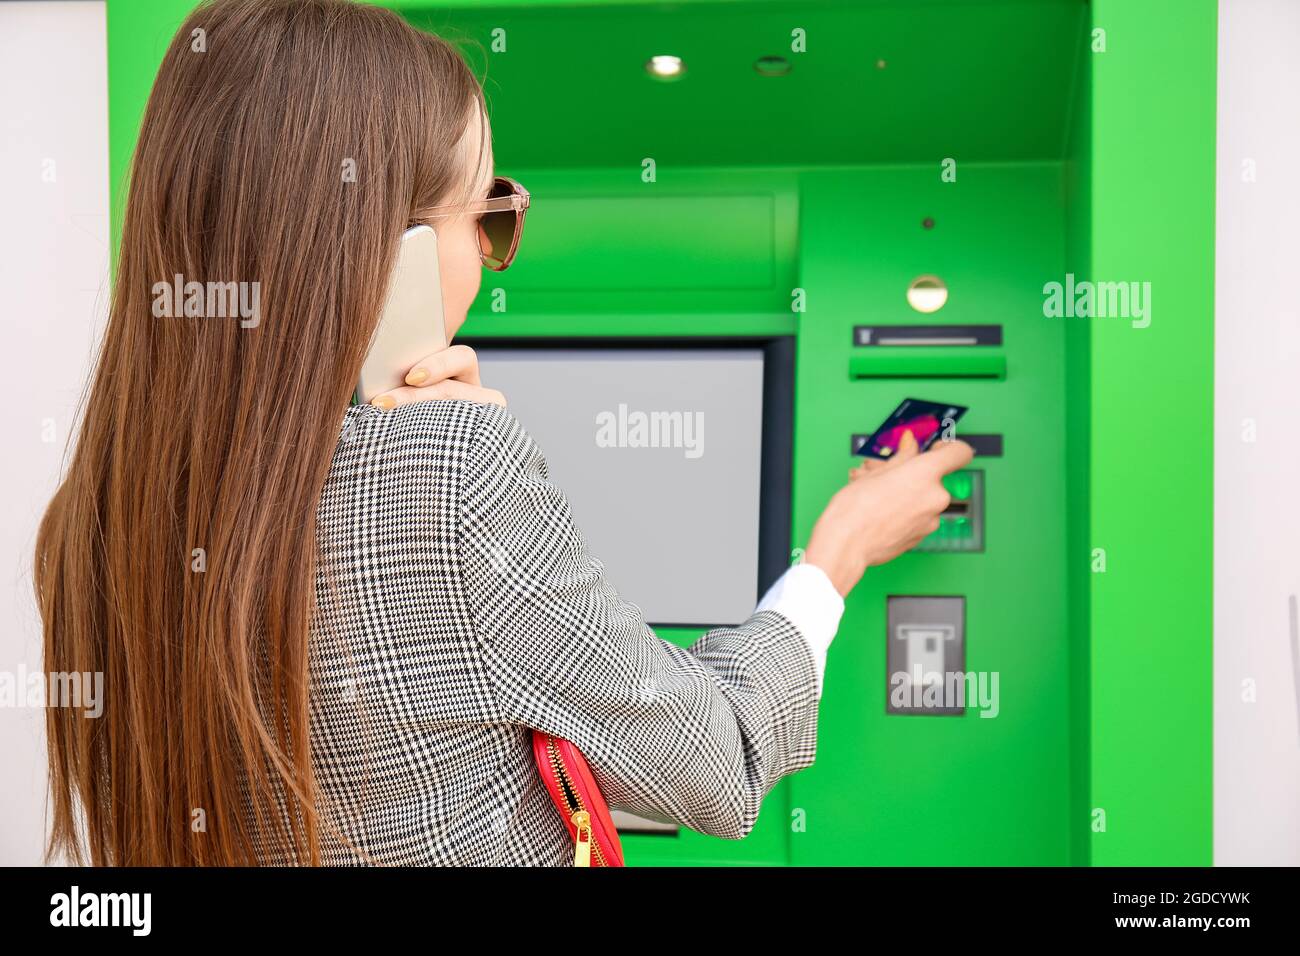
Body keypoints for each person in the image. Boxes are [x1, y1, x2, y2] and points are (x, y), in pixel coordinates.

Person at [34, 0, 973, 865]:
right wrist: (838, 551)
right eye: (486, 216)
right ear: (379, 248)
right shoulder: (449, 470)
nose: (488, 256)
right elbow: (717, 761)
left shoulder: (85, 525)